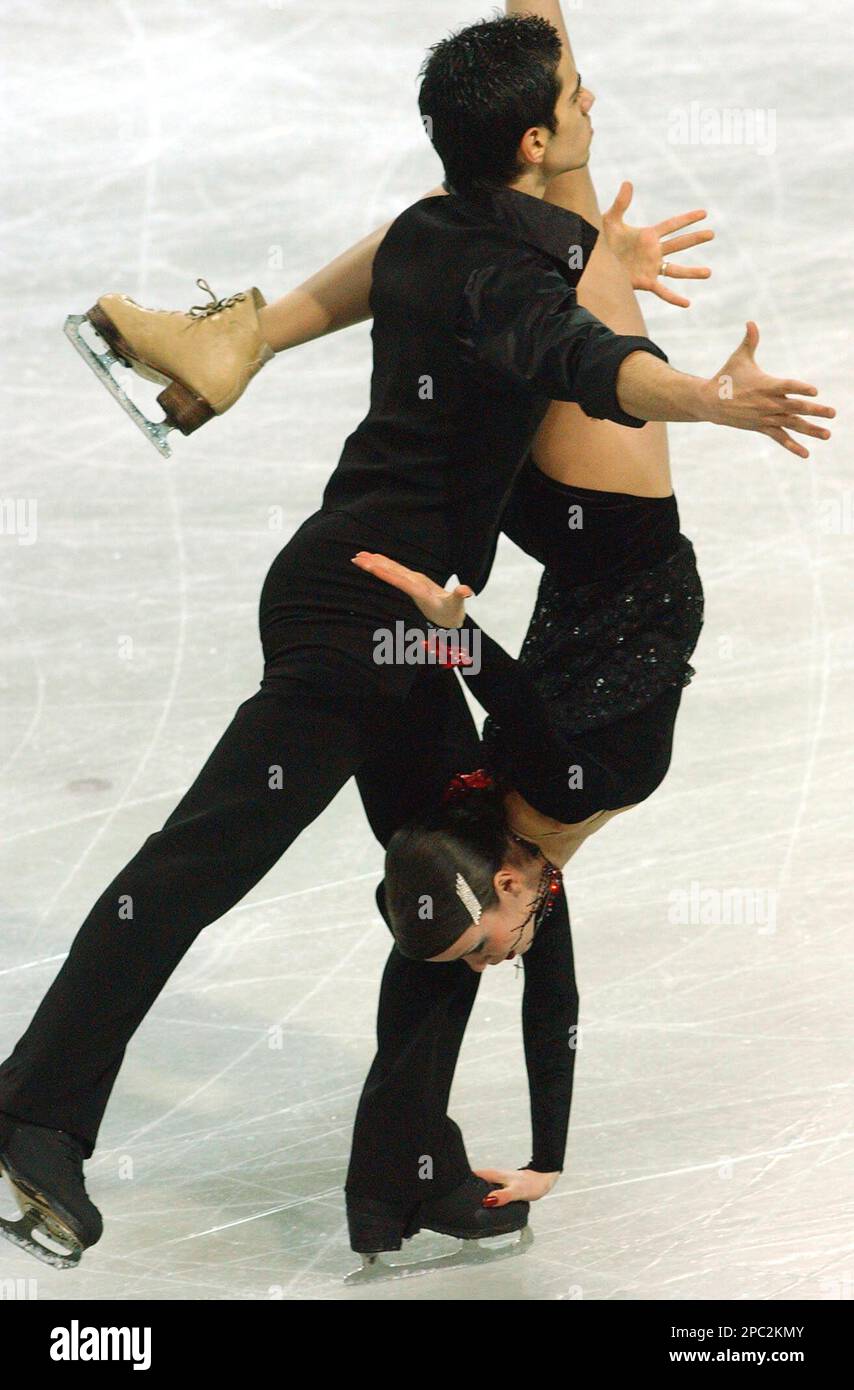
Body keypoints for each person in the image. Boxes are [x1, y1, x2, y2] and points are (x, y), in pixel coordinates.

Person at [0, 7, 834, 1269]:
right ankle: (32, 1112)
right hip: (361, 617)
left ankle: (404, 1171)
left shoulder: (432, 227)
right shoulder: (509, 275)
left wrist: (593, 229)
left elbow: (554, 169)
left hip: (397, 623)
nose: (593, 108)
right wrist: (705, 396)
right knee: (202, 859)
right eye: (574, 99)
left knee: (456, 863)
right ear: (535, 138)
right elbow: (596, 366)